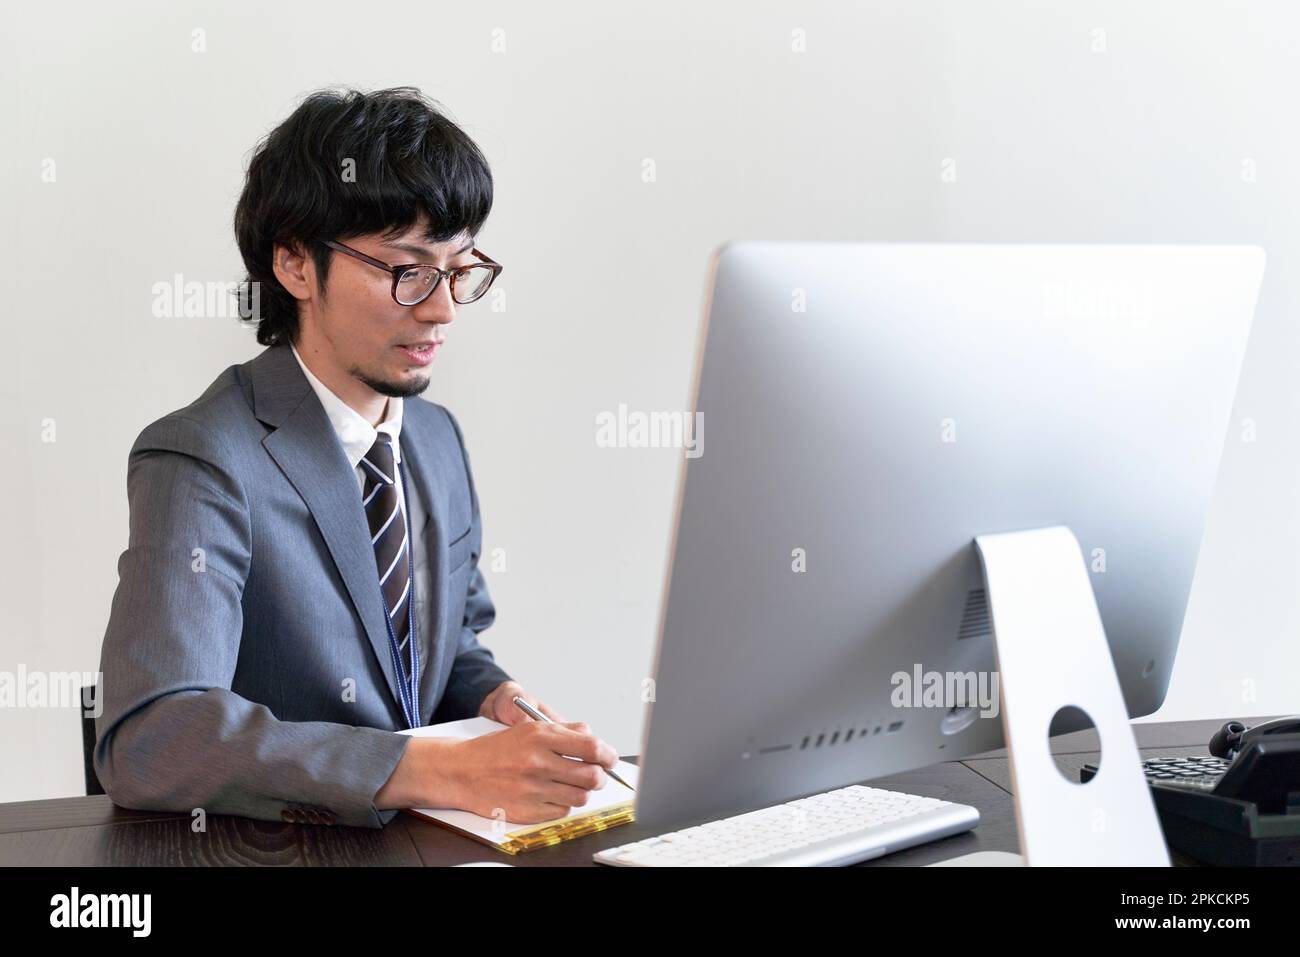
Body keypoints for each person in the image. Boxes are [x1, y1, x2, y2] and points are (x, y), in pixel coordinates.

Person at [95, 87, 617, 828]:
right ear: (295, 265)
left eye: (458, 269)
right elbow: (153, 737)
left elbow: (445, 651)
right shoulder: (204, 456)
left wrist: (497, 700)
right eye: (406, 270)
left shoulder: (435, 437)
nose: (440, 308)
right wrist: (430, 768)